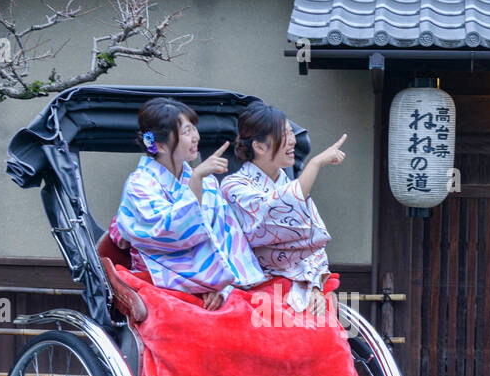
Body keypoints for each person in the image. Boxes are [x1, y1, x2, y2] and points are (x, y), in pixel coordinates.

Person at [110, 97, 265, 310]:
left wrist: (222, 286)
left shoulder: (205, 181)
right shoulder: (139, 184)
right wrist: (195, 181)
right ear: (160, 145)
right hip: (159, 280)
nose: (195, 138)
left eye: (194, 130)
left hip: (213, 283)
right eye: (186, 132)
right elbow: (170, 233)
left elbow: (225, 235)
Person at [219, 102, 348, 315]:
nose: (293, 141)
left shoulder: (288, 187)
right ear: (259, 147)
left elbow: (313, 244)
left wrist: (315, 286)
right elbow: (271, 212)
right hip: (254, 287)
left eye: (291, 133)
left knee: (327, 323)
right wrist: (314, 165)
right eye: (284, 135)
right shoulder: (233, 187)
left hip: (302, 284)